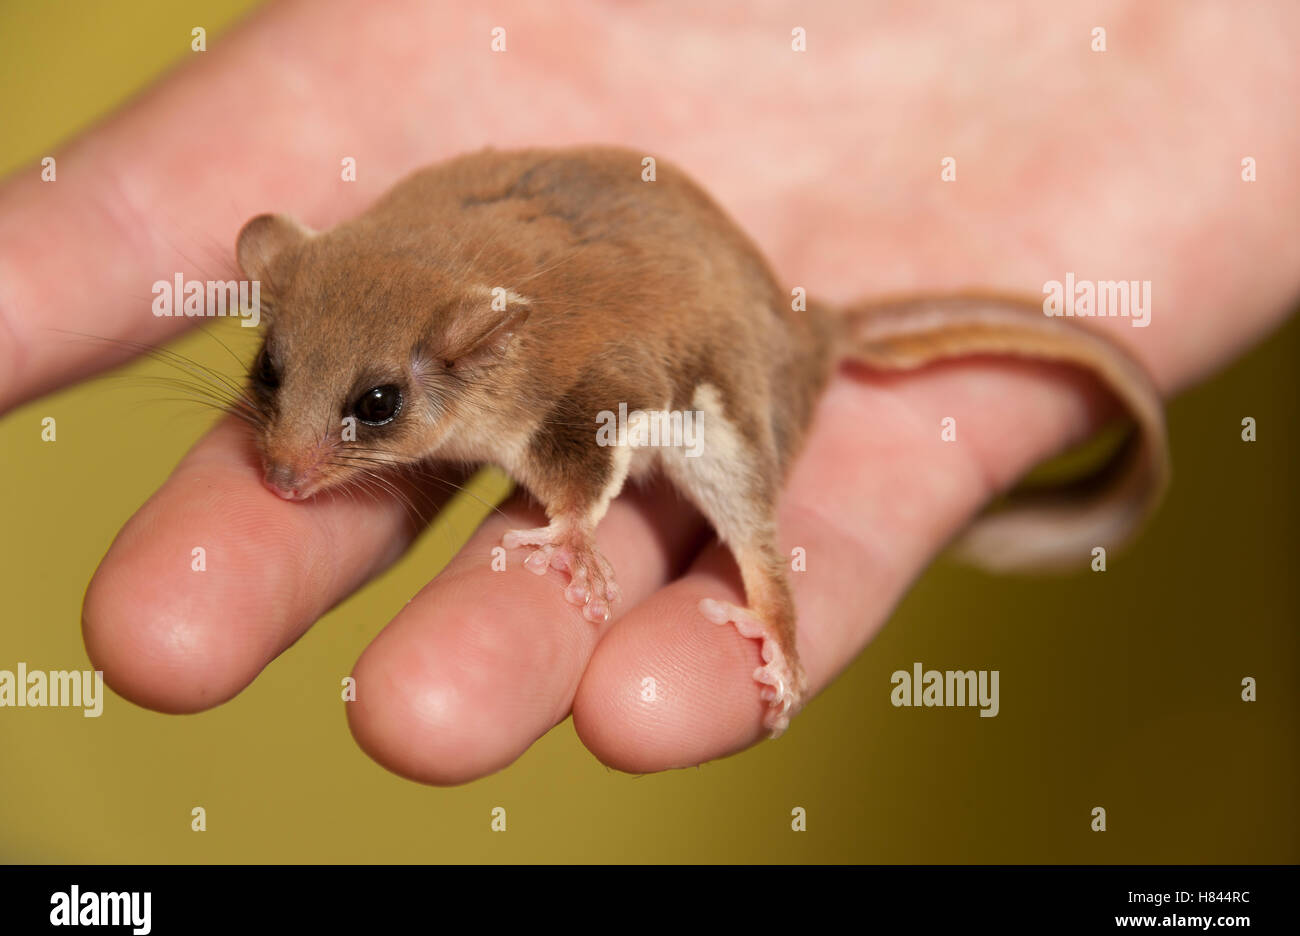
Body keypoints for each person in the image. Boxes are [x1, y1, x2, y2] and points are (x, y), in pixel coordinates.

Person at [2, 1, 1296, 783]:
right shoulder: (360, 266)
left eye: (369, 417)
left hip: (715, 337)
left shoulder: (513, 353)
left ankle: (773, 621)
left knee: (719, 472)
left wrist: (569, 523)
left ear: (461, 356)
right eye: (275, 382)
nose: (288, 459)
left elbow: (603, 408)